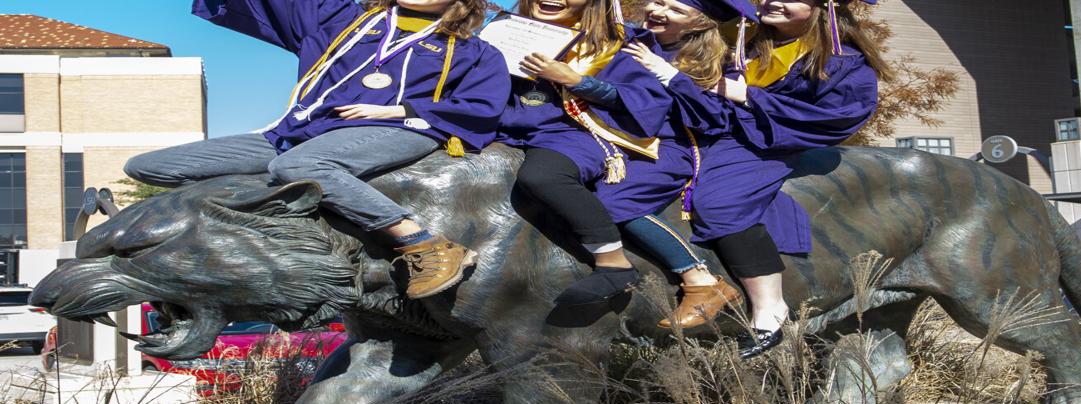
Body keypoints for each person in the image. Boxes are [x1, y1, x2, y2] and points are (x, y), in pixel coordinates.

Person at [123, 0, 510, 300]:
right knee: (150, 166)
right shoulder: (340, 20)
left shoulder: (474, 52)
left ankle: (424, 243)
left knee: (302, 164)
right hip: (302, 130)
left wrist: (400, 108)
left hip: (400, 128)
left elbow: (481, 107)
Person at [633, 0, 891, 358]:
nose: (773, 1)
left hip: (764, 140)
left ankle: (770, 308)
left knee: (719, 200)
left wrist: (746, 95)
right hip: (699, 128)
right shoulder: (742, 37)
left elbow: (837, 116)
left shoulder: (841, 60)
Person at [552, 0, 758, 332]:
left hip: (666, 145)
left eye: (675, 9)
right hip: (607, 134)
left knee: (614, 202)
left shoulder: (717, 62)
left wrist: (673, 78)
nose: (657, 10)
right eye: (658, 1)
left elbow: (715, 118)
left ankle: (700, 279)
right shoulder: (629, 39)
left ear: (699, 22)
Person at [497, 0, 673, 303]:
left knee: (543, 176)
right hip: (502, 124)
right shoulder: (502, 30)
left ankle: (614, 263)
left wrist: (575, 80)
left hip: (573, 131)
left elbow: (643, 98)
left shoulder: (615, 43)